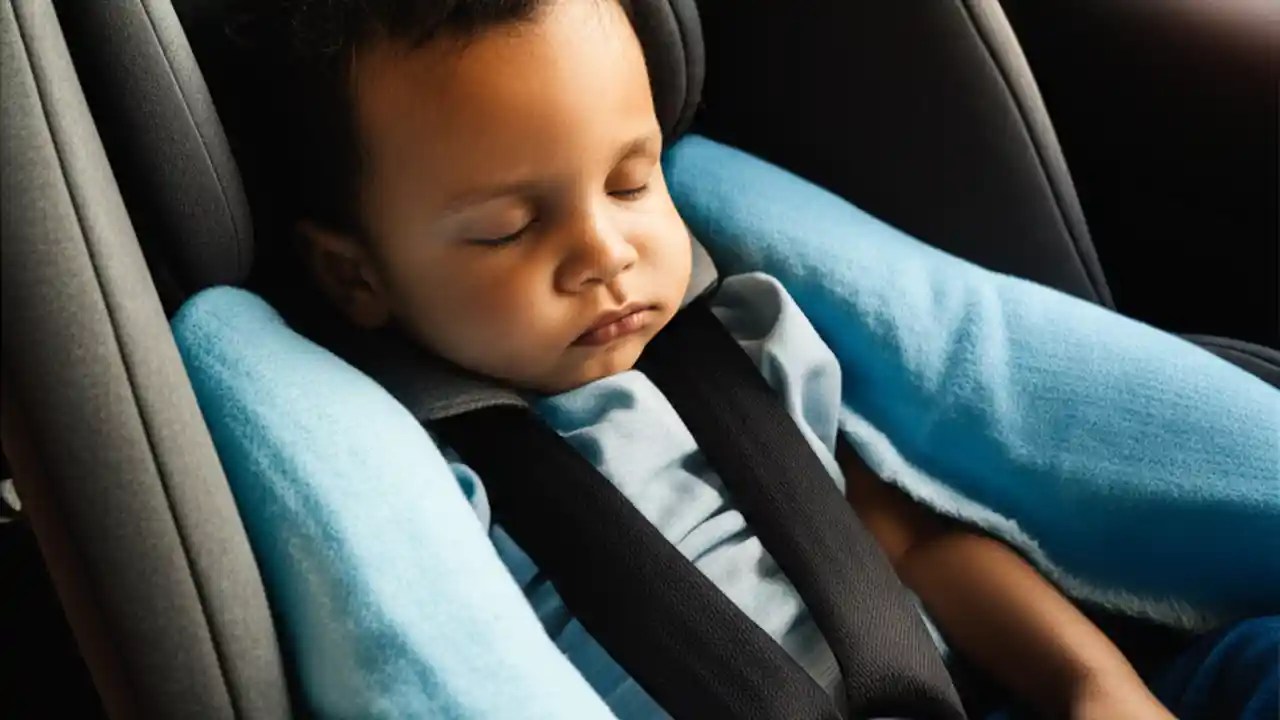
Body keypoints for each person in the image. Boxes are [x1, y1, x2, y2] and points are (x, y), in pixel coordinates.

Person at [238, 1, 1189, 717]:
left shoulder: (745, 342)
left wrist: (1090, 681)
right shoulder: (437, 483)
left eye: (630, 182)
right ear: (357, 275)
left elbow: (912, 543)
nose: (605, 252)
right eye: (508, 229)